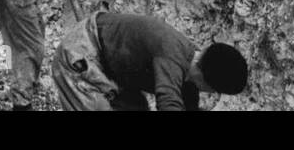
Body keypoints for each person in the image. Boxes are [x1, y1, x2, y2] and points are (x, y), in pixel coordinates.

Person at [52, 12, 248, 111]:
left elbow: (187, 104)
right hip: (82, 55)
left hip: (111, 65)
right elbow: (168, 100)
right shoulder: (172, 56)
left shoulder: (189, 72)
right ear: (207, 84)